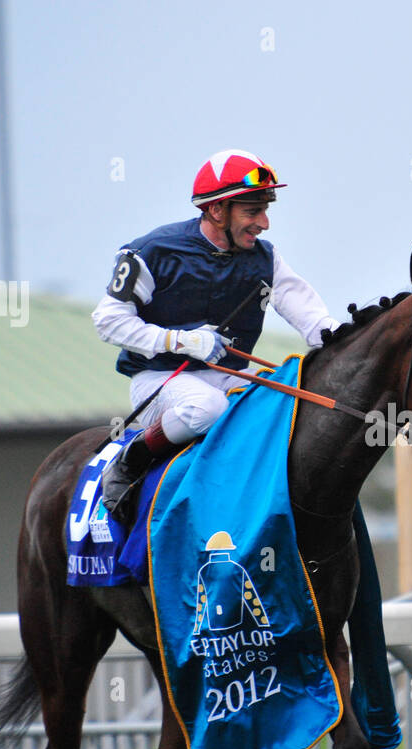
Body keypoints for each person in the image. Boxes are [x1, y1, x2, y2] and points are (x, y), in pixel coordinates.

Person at [93, 148, 344, 519]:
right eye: (253, 211)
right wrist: (181, 341)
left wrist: (346, 345)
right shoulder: (153, 251)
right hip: (160, 381)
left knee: (289, 406)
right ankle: (131, 460)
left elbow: (312, 318)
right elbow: (108, 320)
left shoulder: (265, 258)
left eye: (266, 210)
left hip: (231, 377)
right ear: (216, 210)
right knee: (208, 408)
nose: (264, 223)